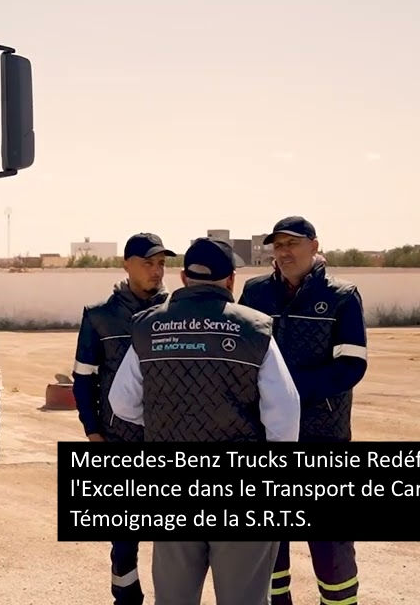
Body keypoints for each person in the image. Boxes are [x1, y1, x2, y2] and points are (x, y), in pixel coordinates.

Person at [108, 237, 300, 605]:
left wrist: (166, 424)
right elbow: (285, 412)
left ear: (183, 278)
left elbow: (122, 403)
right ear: (231, 281)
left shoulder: (148, 327)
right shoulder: (255, 328)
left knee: (175, 597)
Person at [237, 216, 367, 605]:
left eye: (292, 244)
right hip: (267, 437)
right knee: (269, 544)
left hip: (323, 436)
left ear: (314, 246)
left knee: (330, 546)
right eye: (277, 245)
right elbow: (242, 354)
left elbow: (351, 365)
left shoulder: (343, 296)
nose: (284, 252)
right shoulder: (255, 292)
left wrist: (287, 392)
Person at [71, 233, 175, 605]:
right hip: (120, 437)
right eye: (148, 262)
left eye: (161, 263)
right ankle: (126, 595)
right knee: (126, 531)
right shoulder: (100, 315)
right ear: (126, 265)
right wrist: (93, 430)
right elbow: (84, 377)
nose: (157, 270)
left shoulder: (176, 312)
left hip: (171, 436)